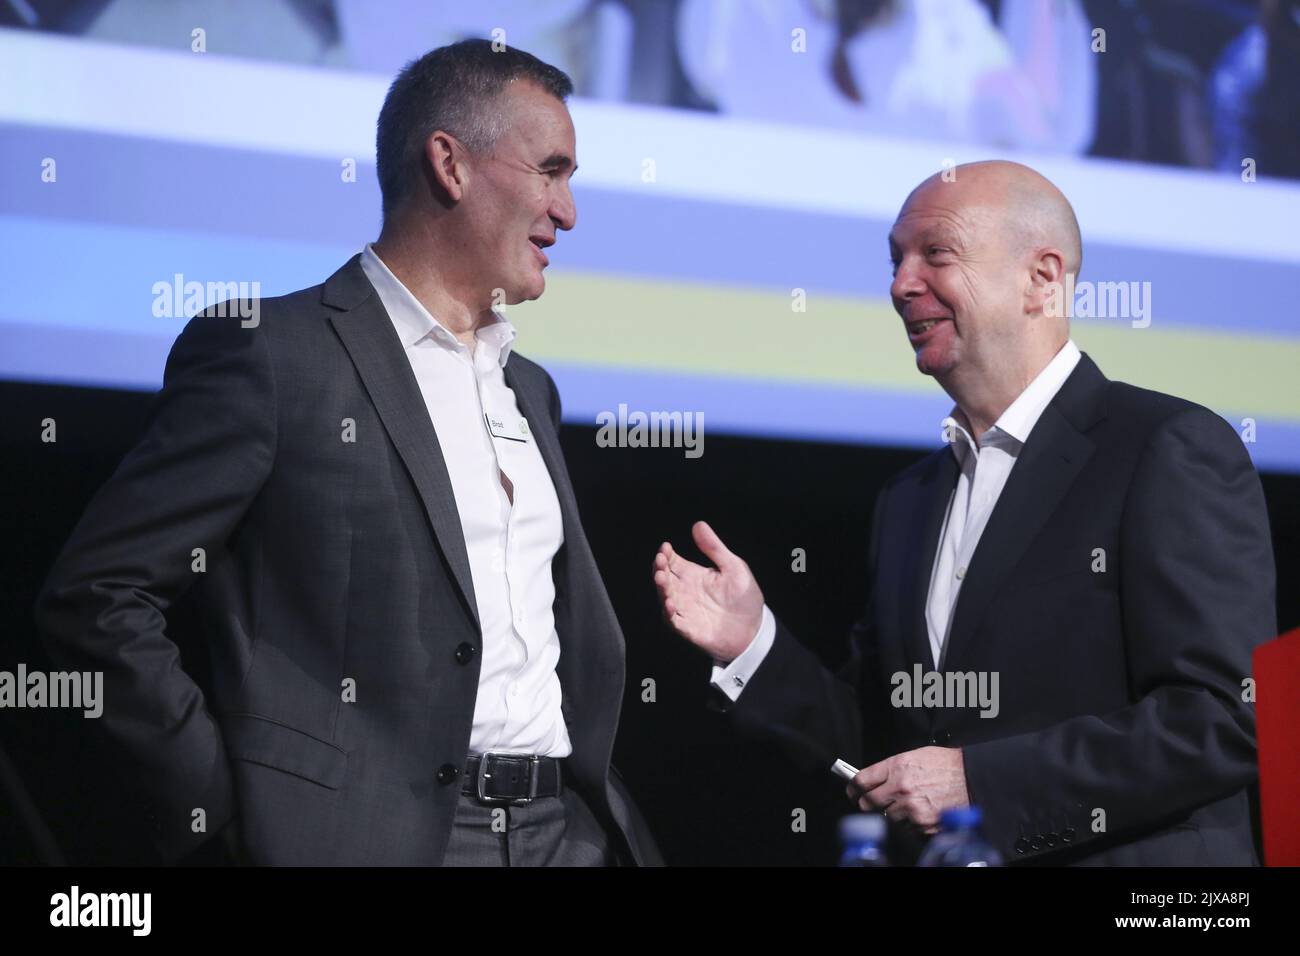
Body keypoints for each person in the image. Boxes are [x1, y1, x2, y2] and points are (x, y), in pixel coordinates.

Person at [36, 39, 661, 867]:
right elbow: (97, 596)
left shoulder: (531, 390)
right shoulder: (272, 354)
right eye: (550, 170)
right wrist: (227, 808)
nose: (568, 210)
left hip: (562, 835)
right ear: (451, 164)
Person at [654, 160, 1274, 865]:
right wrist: (752, 645)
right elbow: (886, 746)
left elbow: (1229, 718)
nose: (900, 285)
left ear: (1043, 279)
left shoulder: (1164, 449)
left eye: (935, 254)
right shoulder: (911, 498)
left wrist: (979, 782)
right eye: (894, 260)